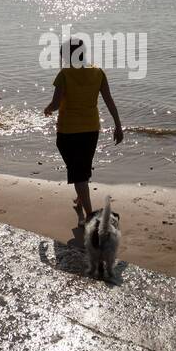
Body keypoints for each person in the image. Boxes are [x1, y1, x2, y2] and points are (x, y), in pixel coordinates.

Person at [43, 38, 124, 225]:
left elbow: (56, 104)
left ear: (66, 55)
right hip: (91, 129)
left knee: (78, 171)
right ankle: (80, 199)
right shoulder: (98, 72)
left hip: (68, 130)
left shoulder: (64, 74)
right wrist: (118, 125)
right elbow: (109, 101)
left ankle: (89, 216)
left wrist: (48, 109)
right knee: (82, 167)